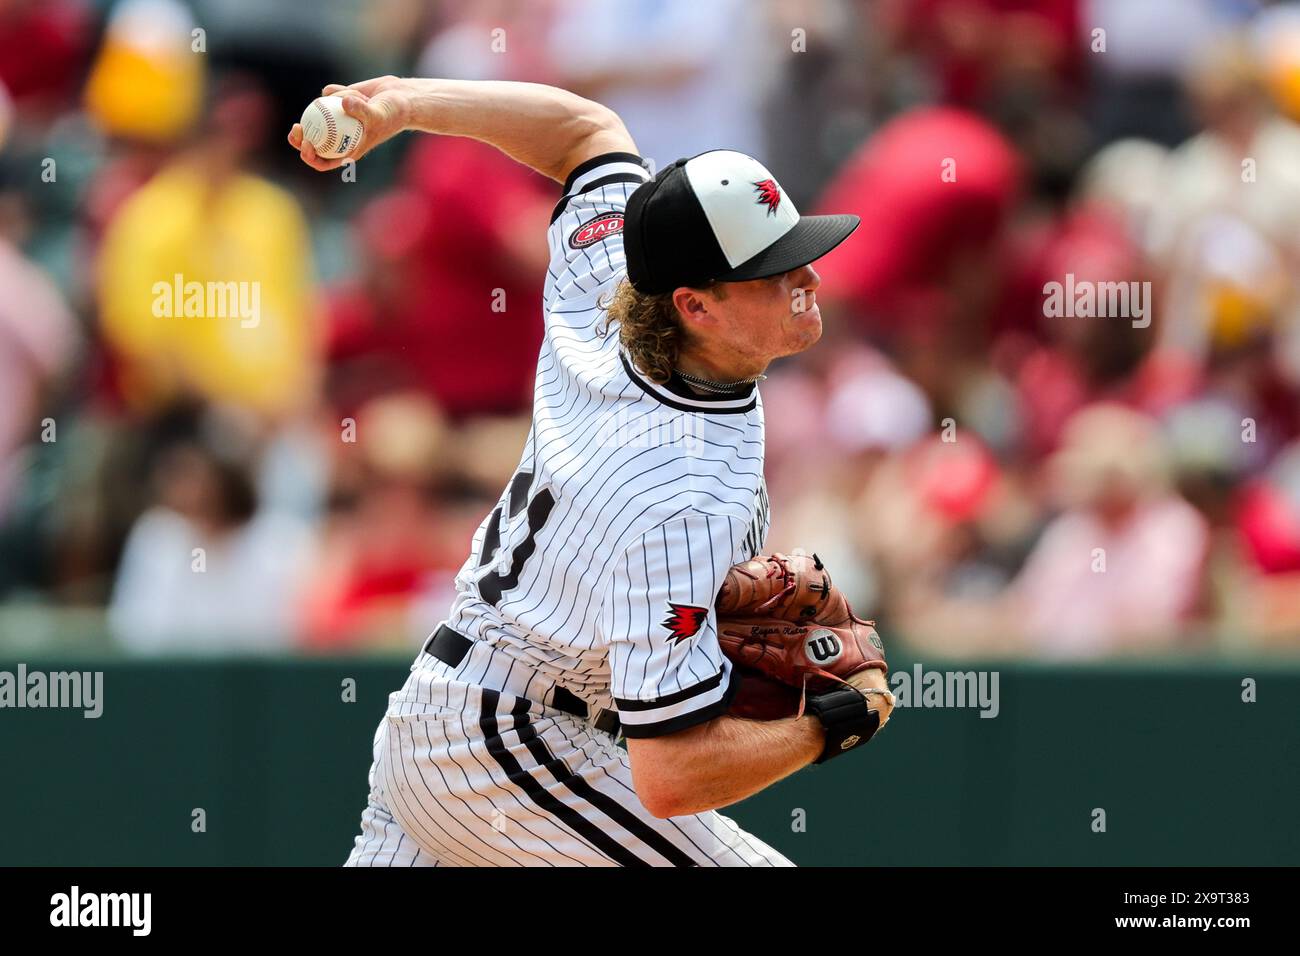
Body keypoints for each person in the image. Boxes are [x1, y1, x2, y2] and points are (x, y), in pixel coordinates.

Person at [289, 76, 888, 867]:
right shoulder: (678, 490)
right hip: (512, 747)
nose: (807, 277)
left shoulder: (611, 276)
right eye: (773, 268)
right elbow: (671, 774)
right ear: (695, 306)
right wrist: (828, 724)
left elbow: (583, 130)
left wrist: (401, 103)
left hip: (459, 715)